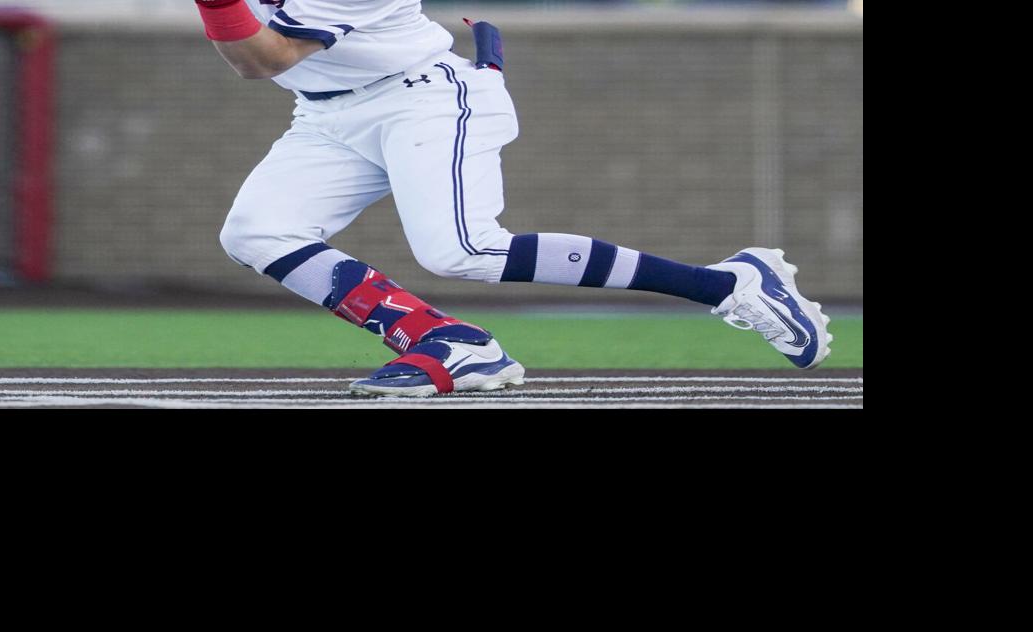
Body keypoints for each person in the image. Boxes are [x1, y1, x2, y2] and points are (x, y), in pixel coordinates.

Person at [195, 0, 831, 397]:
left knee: (463, 249)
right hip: (326, 113)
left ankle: (726, 283)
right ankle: (449, 342)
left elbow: (262, 59)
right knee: (257, 231)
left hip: (422, 99)